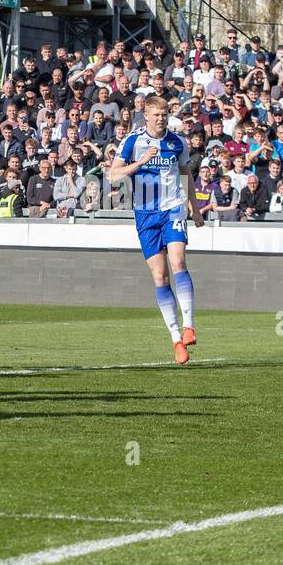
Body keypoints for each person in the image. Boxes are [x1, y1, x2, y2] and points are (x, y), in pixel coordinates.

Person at [106, 96, 205, 365]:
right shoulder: (133, 141)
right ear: (146, 116)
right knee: (160, 277)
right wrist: (140, 163)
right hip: (145, 215)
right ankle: (176, 340)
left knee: (178, 261)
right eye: (156, 114)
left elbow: (186, 175)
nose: (161, 118)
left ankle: (189, 325)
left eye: (164, 114)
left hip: (173, 209)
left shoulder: (177, 142)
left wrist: (194, 208)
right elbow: (112, 176)